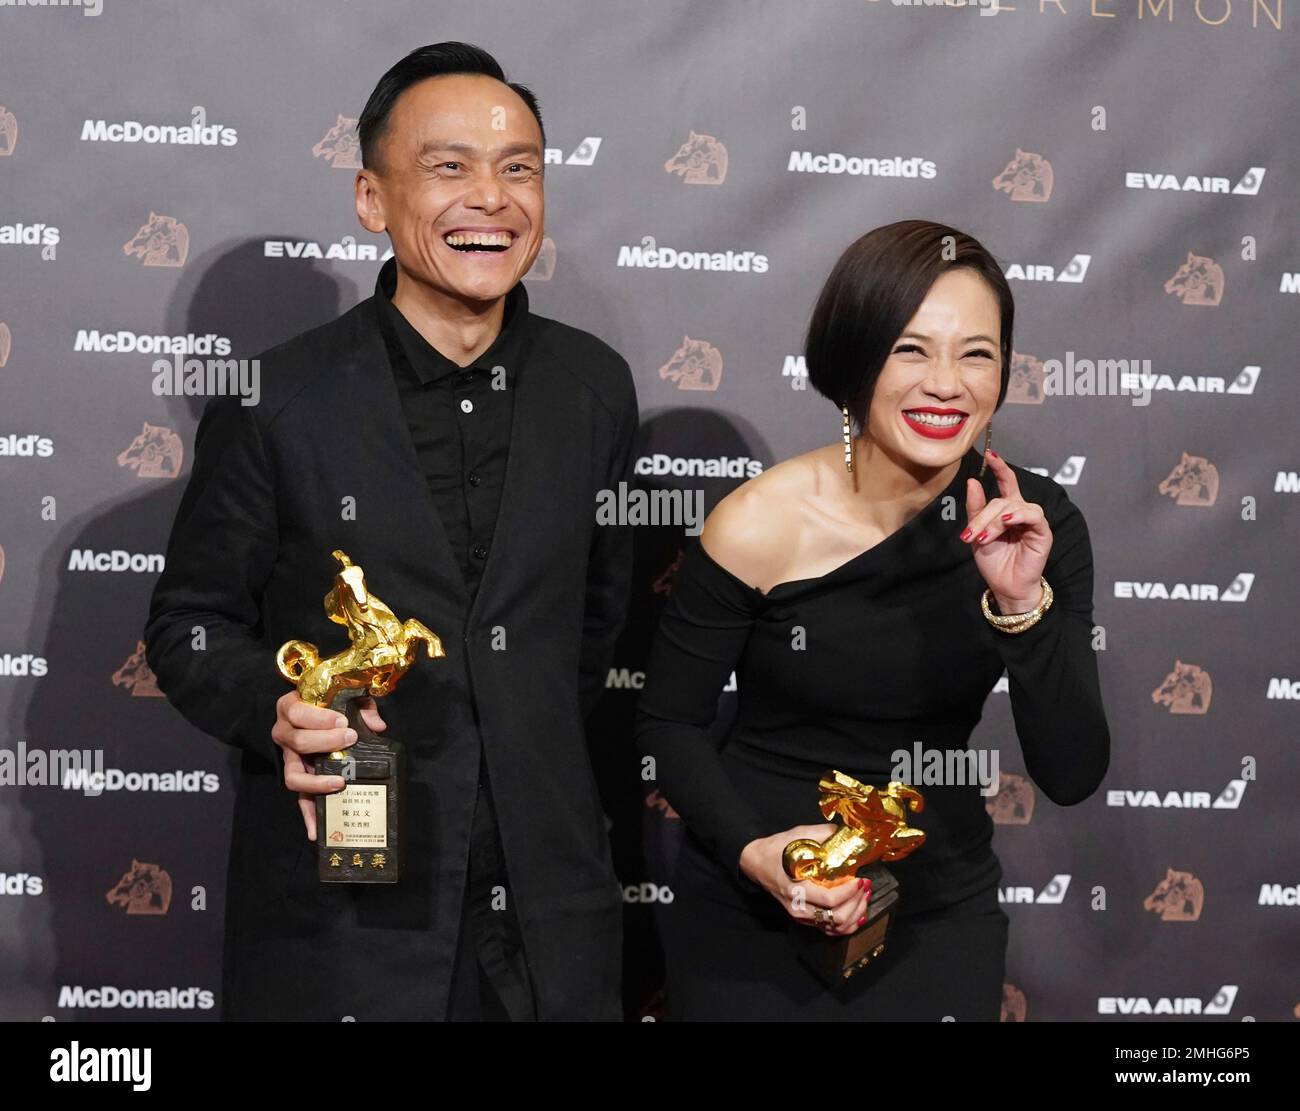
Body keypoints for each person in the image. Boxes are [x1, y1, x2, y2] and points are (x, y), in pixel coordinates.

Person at [145, 42, 638, 1021]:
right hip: (346, 919)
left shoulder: (593, 388)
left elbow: (594, 631)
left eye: (519, 168)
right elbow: (190, 626)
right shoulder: (279, 397)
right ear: (372, 198)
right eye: (449, 167)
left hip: (550, 917)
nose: (491, 198)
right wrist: (279, 706)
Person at [634, 219, 1110, 1021]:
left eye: (977, 353)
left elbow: (1070, 772)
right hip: (751, 917)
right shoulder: (760, 522)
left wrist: (1022, 606)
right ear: (854, 359)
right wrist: (758, 852)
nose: (947, 383)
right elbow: (669, 723)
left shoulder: (1033, 523)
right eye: (911, 349)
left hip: (934, 916)